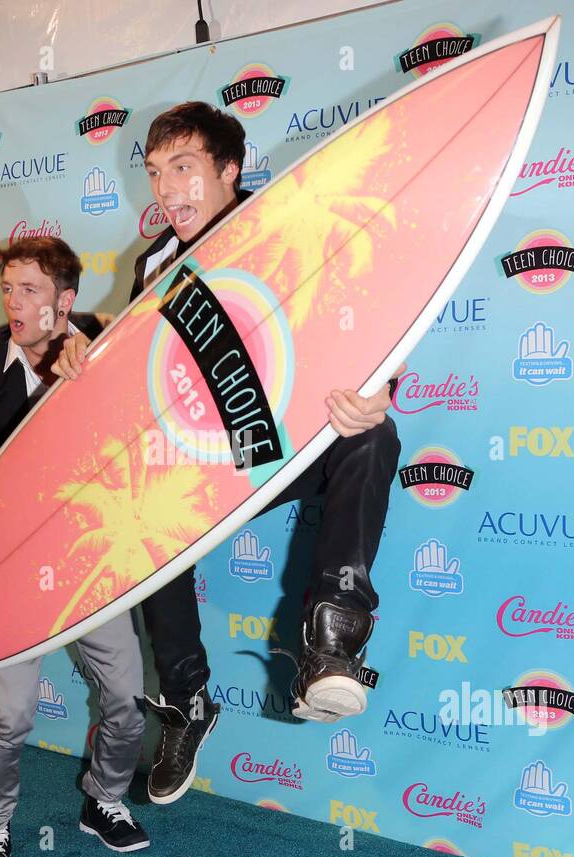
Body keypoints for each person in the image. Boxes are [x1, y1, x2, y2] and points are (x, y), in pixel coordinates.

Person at [53, 102, 402, 804]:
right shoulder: (154, 262)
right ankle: (188, 700)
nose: (165, 189)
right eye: (154, 173)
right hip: (210, 451)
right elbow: (135, 368)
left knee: (373, 433)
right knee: (138, 512)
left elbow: (357, 311)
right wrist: (83, 354)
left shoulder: (287, 224)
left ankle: (332, 644)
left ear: (230, 171)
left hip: (292, 431)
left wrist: (380, 386)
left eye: (183, 168)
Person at [0, 236, 149, 857]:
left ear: (65, 300)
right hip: (6, 562)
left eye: (31, 290)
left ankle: (104, 800)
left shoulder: (105, 342)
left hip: (87, 554)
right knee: (12, 711)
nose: (14, 304)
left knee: (128, 695)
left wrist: (99, 361)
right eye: (8, 289)